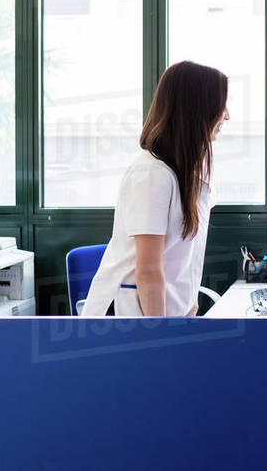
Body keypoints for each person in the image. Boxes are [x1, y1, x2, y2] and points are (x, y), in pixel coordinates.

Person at [82, 61, 229, 317]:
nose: (226, 114)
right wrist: (159, 337)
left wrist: (189, 306)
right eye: (220, 105)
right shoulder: (152, 174)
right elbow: (148, 270)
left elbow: (186, 260)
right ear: (196, 110)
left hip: (165, 314)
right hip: (131, 318)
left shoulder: (187, 175)